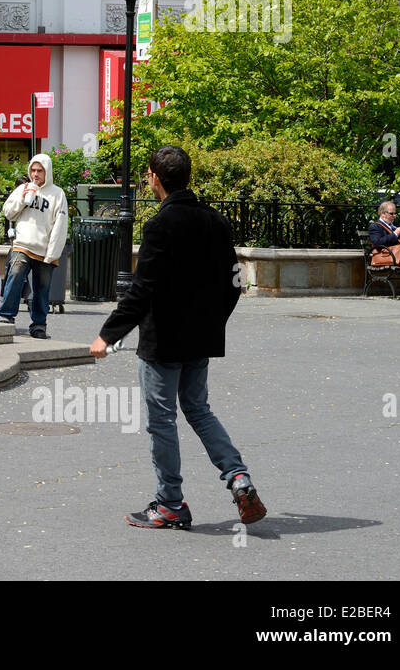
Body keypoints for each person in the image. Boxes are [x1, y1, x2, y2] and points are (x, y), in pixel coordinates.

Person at [88, 145, 266, 530]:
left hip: (163, 342)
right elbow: (234, 283)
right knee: (198, 409)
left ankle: (170, 504)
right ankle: (238, 477)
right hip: (199, 339)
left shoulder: (160, 226)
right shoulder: (216, 221)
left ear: (155, 178)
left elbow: (141, 290)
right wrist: (212, 323)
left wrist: (108, 335)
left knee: (162, 421)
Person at [0, 153, 68, 339]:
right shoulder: (24, 188)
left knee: (42, 288)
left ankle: (38, 324)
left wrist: (53, 253)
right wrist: (22, 199)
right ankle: (5, 316)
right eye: (33, 170)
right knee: (15, 276)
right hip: (22, 244)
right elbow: (8, 213)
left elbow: (60, 225)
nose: (35, 174)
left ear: (47, 172)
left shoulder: (58, 194)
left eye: (40, 170)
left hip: (44, 249)